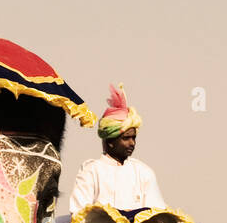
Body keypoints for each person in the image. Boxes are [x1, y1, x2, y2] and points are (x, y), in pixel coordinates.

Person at [67, 84, 166, 215]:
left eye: (134, 138)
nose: (132, 143)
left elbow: (157, 213)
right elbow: (79, 213)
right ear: (110, 141)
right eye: (126, 138)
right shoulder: (91, 171)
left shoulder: (144, 172)